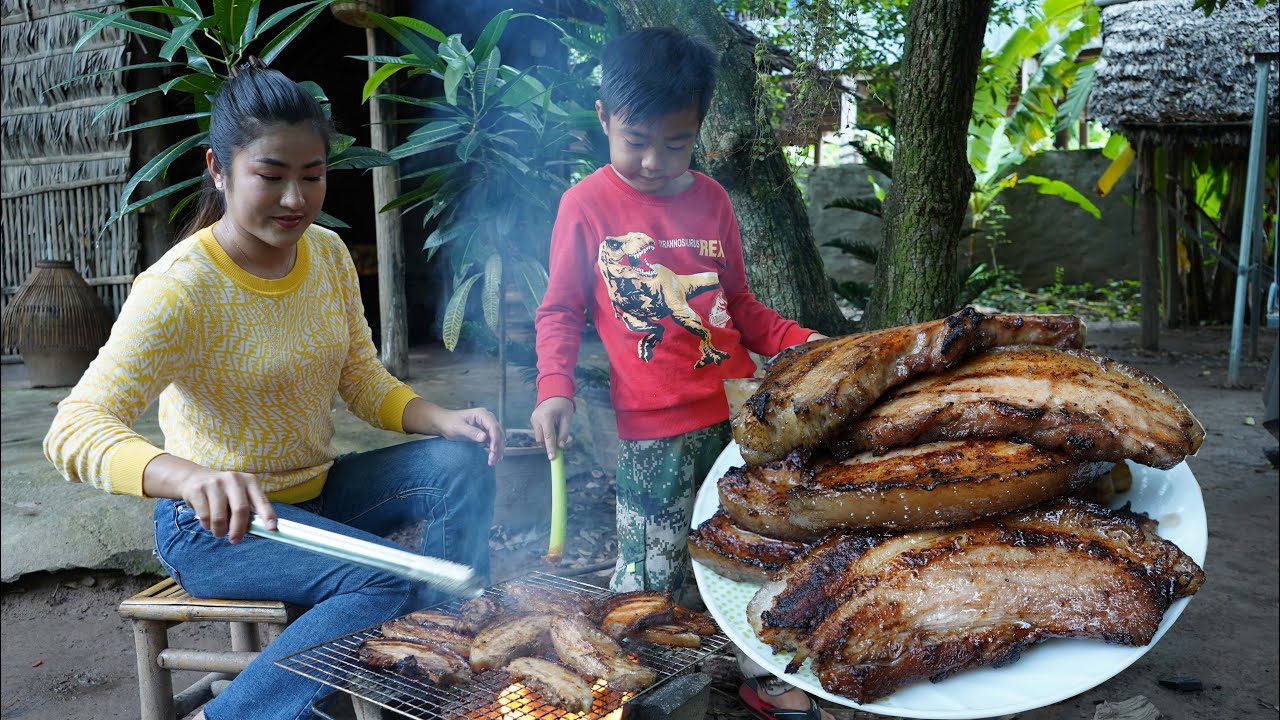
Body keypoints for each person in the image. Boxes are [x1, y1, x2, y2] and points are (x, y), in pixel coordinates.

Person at [43, 60, 502, 720]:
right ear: (219, 170)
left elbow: (361, 379)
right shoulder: (179, 288)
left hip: (320, 495)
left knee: (459, 464)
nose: (295, 199)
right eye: (271, 175)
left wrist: (441, 418)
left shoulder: (329, 255)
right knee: (382, 577)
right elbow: (74, 428)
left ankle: (430, 658)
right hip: (217, 529)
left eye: (312, 176)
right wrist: (189, 478)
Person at [528, 27, 831, 720]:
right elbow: (560, 310)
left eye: (676, 143)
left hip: (738, 421)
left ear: (698, 130)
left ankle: (763, 674)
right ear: (604, 117)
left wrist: (802, 343)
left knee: (754, 549)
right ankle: (624, 685)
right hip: (652, 435)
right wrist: (554, 389)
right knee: (650, 568)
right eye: (635, 140)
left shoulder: (713, 201)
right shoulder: (585, 205)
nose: (653, 161)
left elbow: (740, 307)